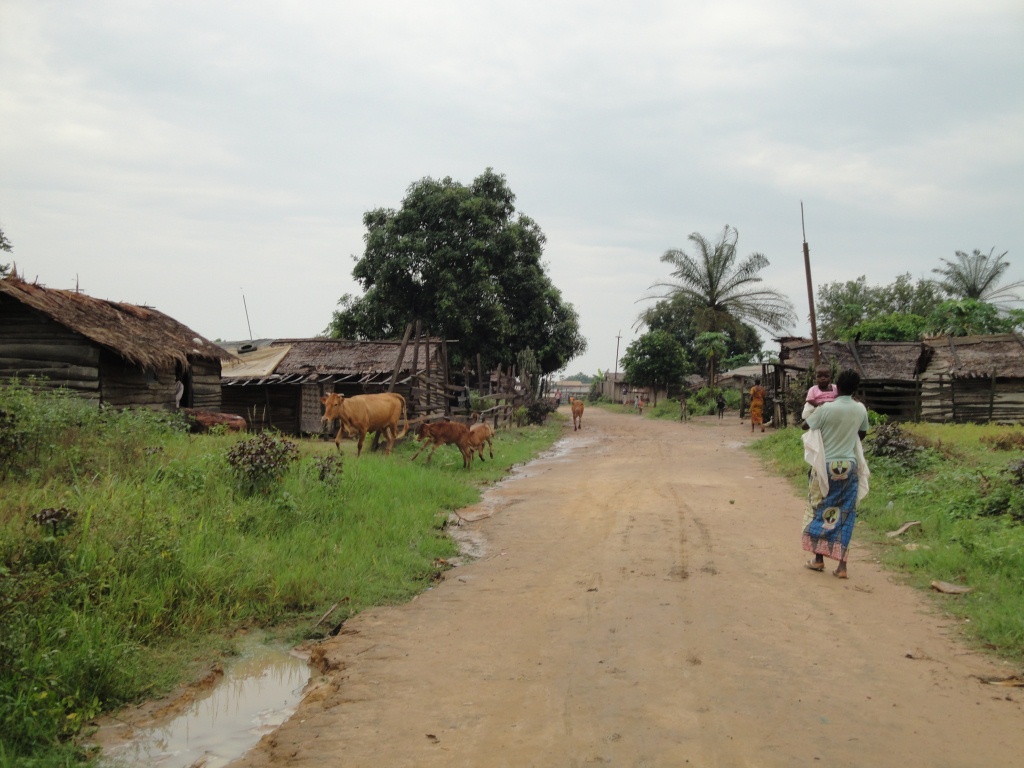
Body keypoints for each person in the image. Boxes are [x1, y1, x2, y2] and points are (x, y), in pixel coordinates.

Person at [801, 368, 870, 579]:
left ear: (836, 386)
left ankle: (818, 559)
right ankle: (842, 567)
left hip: (826, 466)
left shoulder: (826, 409)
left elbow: (805, 425)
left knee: (821, 508)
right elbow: (862, 433)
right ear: (855, 388)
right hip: (849, 466)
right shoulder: (860, 409)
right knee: (846, 514)